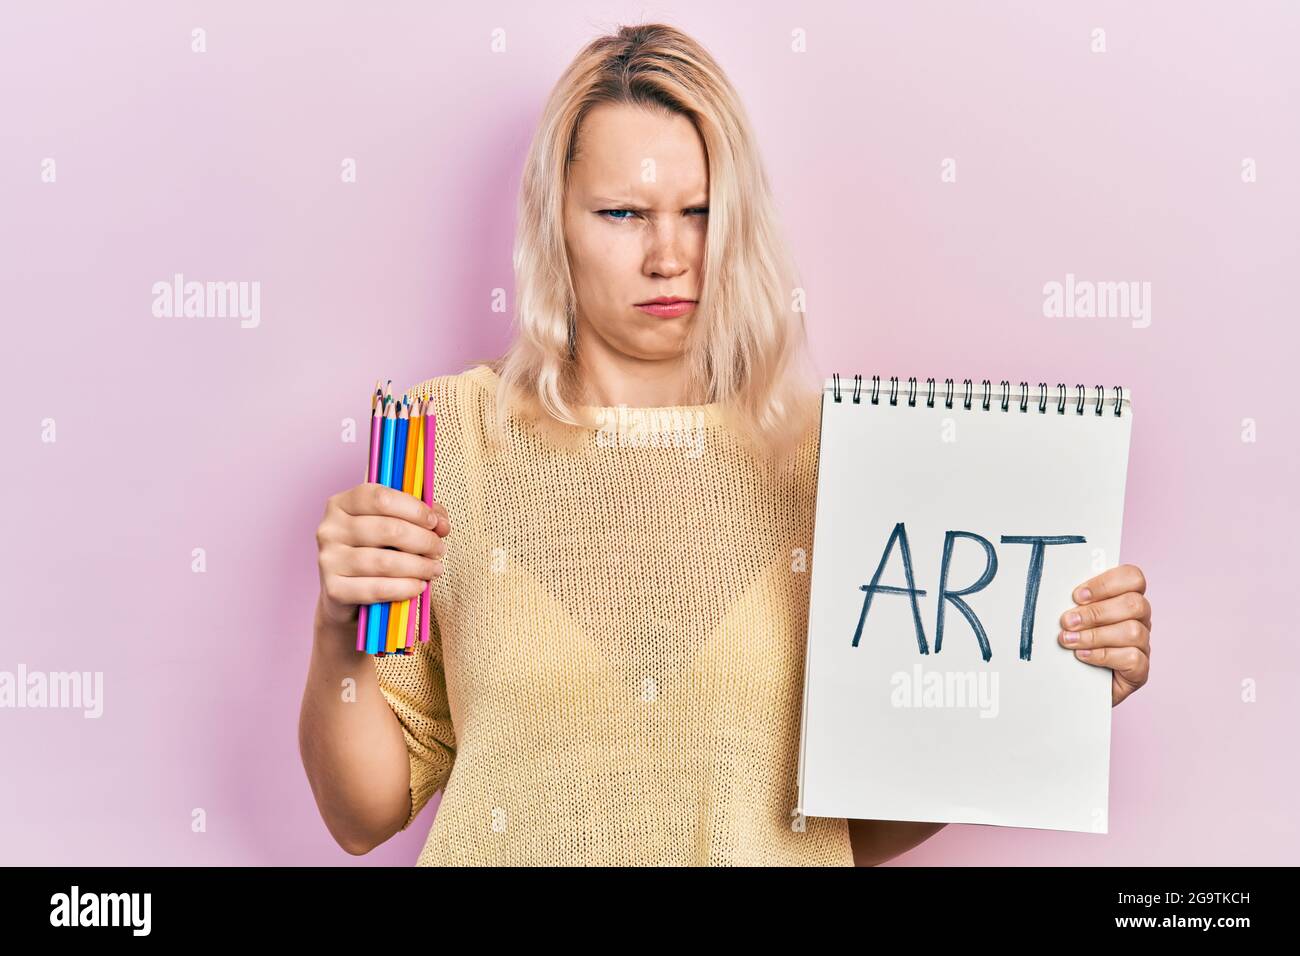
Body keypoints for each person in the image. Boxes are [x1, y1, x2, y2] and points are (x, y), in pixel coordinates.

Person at [299, 22, 1153, 866]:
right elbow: (362, 814)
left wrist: (1049, 691)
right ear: (555, 221)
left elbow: (848, 830)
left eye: (701, 213)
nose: (670, 255)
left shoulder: (836, 460)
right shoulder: (446, 441)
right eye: (623, 212)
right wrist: (338, 627)